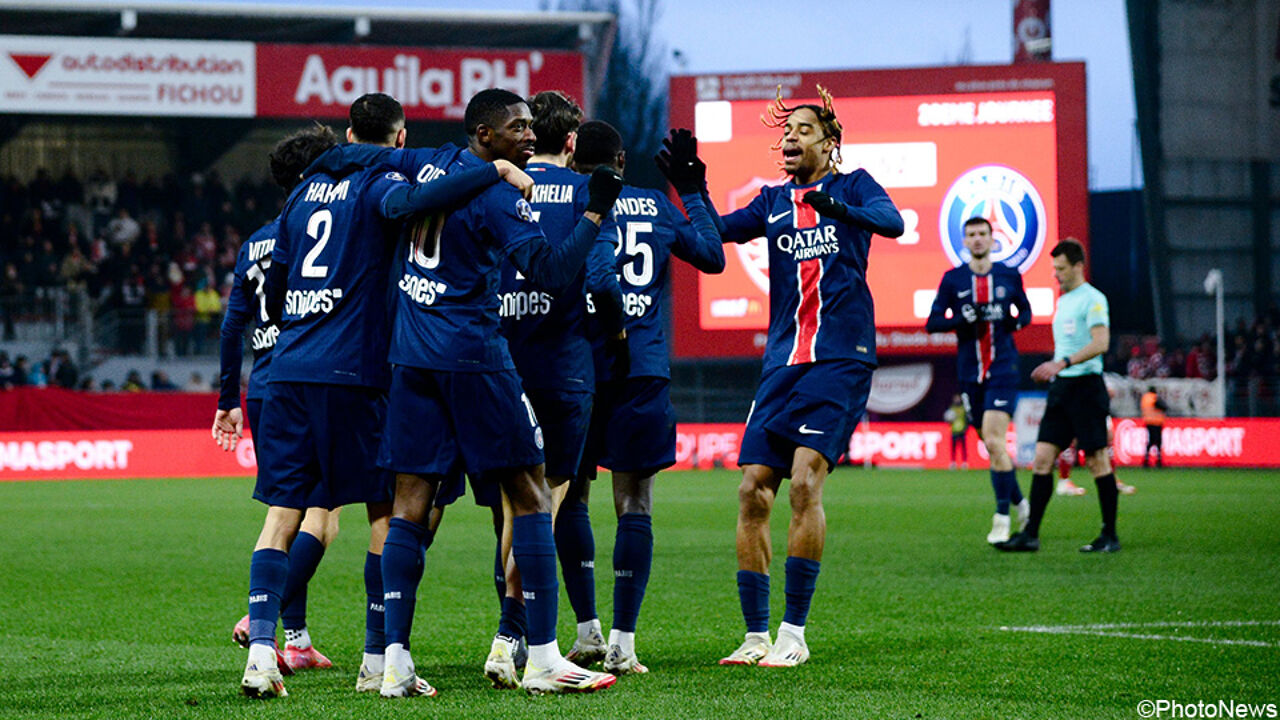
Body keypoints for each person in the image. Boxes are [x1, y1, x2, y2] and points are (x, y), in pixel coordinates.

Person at [238, 92, 531, 699]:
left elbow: (289, 274)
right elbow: (411, 201)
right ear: (398, 139)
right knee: (386, 511)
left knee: (282, 515)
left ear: (348, 134)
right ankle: (378, 658)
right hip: (356, 371)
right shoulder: (377, 189)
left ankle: (262, 654)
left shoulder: (298, 197)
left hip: (289, 367)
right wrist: (492, 170)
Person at [375, 88, 622, 697]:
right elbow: (552, 272)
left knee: (411, 505)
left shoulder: (434, 166)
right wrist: (593, 215)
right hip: (473, 355)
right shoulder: (495, 194)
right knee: (533, 493)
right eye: (517, 127)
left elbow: (394, 201)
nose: (529, 136)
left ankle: (394, 662)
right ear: (484, 134)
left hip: (412, 357)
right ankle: (540, 658)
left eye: (533, 127)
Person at [707, 86, 904, 666]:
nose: (790, 138)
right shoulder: (770, 201)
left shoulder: (854, 185)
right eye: (786, 131)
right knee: (750, 490)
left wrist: (839, 209)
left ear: (830, 142)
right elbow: (713, 233)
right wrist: (690, 190)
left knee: (803, 484)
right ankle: (754, 636)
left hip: (840, 357)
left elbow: (890, 222)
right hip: (782, 362)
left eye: (803, 130)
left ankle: (793, 633)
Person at [561, 122, 725, 675]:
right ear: (623, 160)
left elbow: (589, 273)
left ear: (571, 156)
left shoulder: (567, 200)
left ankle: (586, 633)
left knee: (570, 498)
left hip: (579, 367)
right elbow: (711, 254)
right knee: (635, 502)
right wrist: (694, 191)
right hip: (643, 368)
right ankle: (624, 644)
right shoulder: (655, 203)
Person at [484, 91, 626, 686]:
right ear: (572, 141)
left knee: (510, 514)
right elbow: (597, 278)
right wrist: (616, 329)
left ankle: (511, 634)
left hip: (499, 365)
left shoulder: (493, 191)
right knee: (546, 508)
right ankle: (517, 637)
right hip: (565, 369)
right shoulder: (587, 194)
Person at [215, 124, 343, 674]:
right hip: (310, 379)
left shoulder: (255, 242)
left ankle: (296, 638)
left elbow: (230, 327)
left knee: (283, 508)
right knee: (323, 515)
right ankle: (262, 619)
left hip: (263, 386)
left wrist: (228, 399)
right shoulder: (324, 232)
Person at [997, 238, 1124, 554]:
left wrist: (1062, 362)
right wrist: (1059, 369)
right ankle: (1031, 534)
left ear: (1078, 266)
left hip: (1086, 387)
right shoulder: (1064, 300)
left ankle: (1110, 535)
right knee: (1042, 459)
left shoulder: (1093, 300)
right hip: (1062, 389)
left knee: (1096, 460)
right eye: (1054, 268)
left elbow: (1101, 343)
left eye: (1061, 268)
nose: (1056, 274)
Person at [925, 216, 1032, 544]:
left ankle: (1001, 518)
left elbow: (1025, 313)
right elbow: (932, 323)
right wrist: (960, 318)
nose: (977, 239)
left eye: (982, 234)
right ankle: (1021, 503)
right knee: (991, 444)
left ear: (991, 237)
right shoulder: (953, 279)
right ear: (965, 240)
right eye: (971, 235)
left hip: (1003, 369)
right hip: (970, 374)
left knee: (996, 441)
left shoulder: (1009, 275)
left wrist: (1012, 323)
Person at [1141, 385, 1168, 468]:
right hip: (1157, 422)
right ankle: (1158, 460)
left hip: (1148, 422)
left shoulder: (1144, 398)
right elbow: (1164, 407)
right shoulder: (1154, 397)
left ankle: (1146, 459)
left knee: (1150, 441)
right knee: (1158, 441)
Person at [944, 394, 969, 469]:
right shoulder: (952, 409)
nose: (957, 400)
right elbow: (948, 419)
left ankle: (964, 462)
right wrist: (948, 421)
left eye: (958, 399)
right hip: (954, 430)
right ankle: (953, 462)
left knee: (963, 448)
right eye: (956, 399)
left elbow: (967, 419)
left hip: (962, 430)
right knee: (953, 448)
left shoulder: (963, 408)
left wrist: (966, 428)